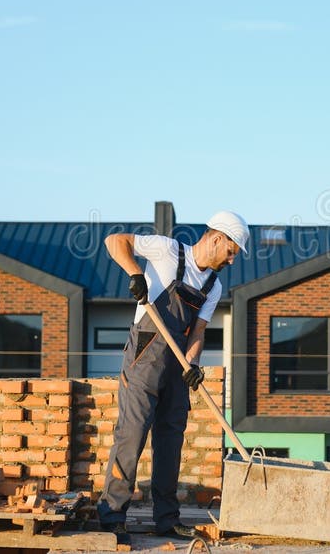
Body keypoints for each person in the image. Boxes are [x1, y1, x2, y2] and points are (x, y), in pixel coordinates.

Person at [96, 211, 250, 547]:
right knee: (132, 434)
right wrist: (136, 274)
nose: (232, 258)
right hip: (144, 358)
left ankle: (166, 519)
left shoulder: (213, 284)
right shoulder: (168, 250)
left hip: (177, 366)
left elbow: (197, 331)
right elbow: (115, 241)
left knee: (171, 441)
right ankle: (112, 514)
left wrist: (193, 363)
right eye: (232, 250)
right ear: (216, 238)